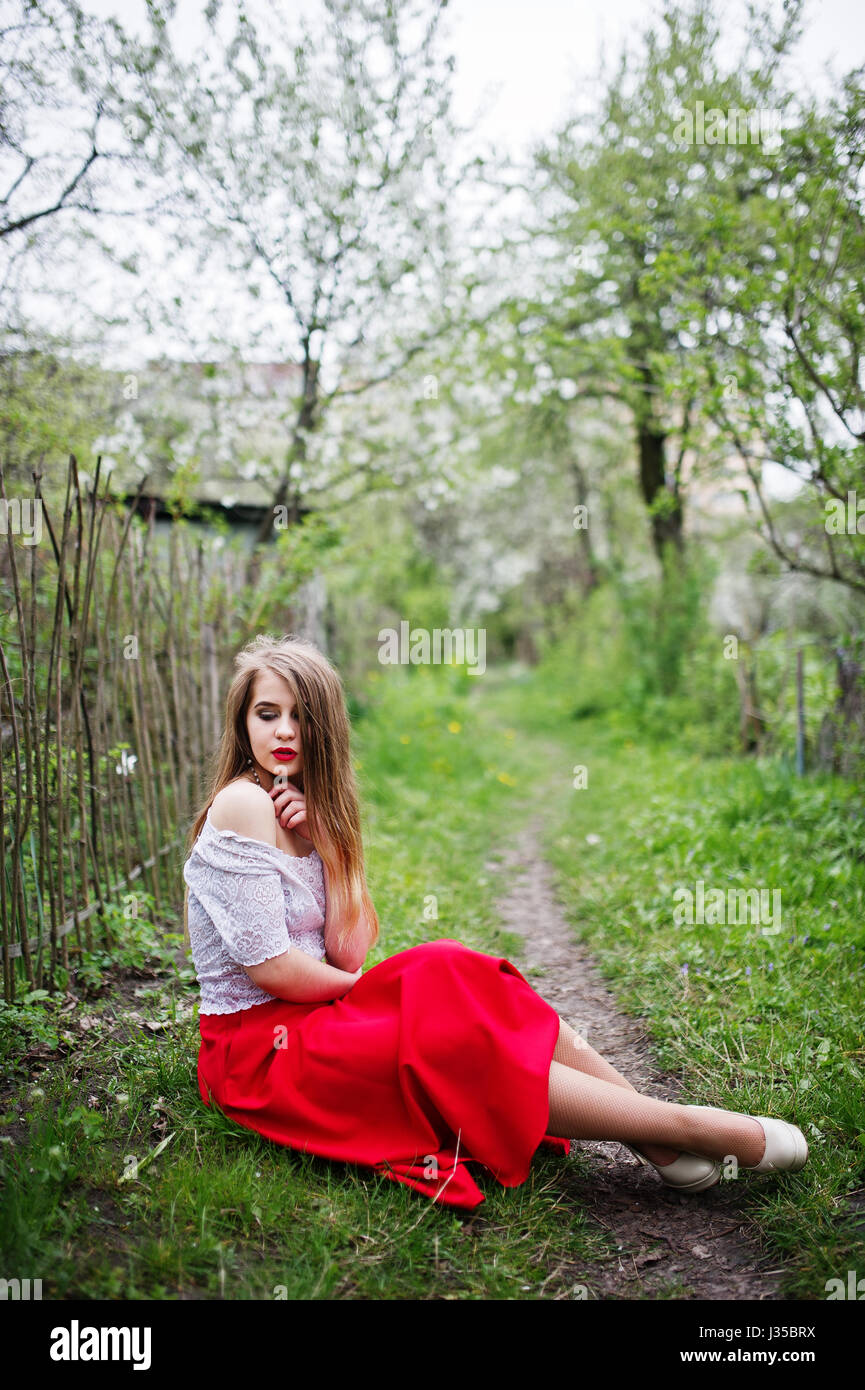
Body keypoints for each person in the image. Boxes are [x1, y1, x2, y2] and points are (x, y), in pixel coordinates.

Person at [182, 633, 808, 1210]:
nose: (285, 731)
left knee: (450, 966)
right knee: (444, 1032)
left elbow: (346, 953)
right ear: (243, 721)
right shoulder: (242, 803)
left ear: (328, 729)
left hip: (312, 1016)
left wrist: (335, 849)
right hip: (258, 1053)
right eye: (268, 714)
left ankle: (660, 1142)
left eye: (301, 717)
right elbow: (274, 971)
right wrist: (383, 995)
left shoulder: (306, 806)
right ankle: (688, 1128)